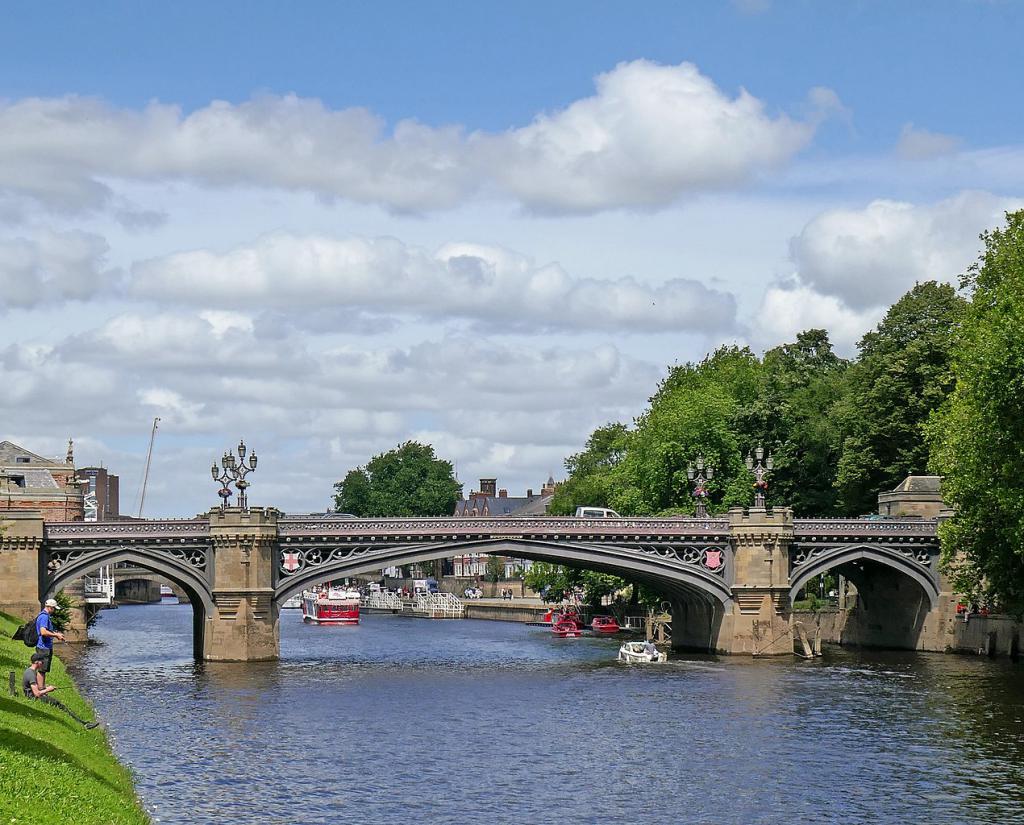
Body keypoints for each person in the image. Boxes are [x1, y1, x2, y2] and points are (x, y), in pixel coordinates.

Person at [23, 652, 98, 729]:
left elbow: (34, 688)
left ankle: (83, 723)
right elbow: (37, 694)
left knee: (59, 704)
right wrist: (48, 690)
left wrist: (45, 687)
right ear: (37, 662)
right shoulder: (31, 674)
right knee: (59, 704)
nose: (43, 663)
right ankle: (84, 724)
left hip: (32, 696)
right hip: (33, 698)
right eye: (42, 661)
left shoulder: (30, 671)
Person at [34, 598, 65, 685]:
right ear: (50, 607)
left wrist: (56, 634)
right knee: (42, 670)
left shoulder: (43, 616)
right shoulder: (44, 617)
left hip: (44, 647)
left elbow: (46, 630)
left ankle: (41, 688)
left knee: (43, 669)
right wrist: (56, 635)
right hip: (44, 647)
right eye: (54, 608)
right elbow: (43, 632)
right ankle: (41, 690)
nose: (54, 610)